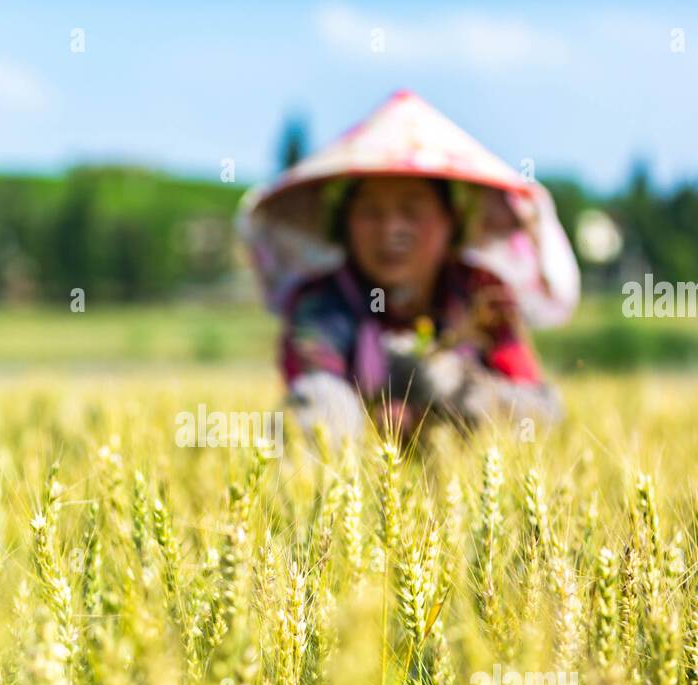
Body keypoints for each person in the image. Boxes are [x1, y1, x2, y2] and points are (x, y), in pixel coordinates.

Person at [238, 90, 579, 443]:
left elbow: (541, 412)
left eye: (412, 211)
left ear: (451, 222)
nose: (392, 232)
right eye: (371, 213)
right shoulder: (321, 304)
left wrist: (459, 391)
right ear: (345, 225)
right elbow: (314, 399)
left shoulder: (482, 294)